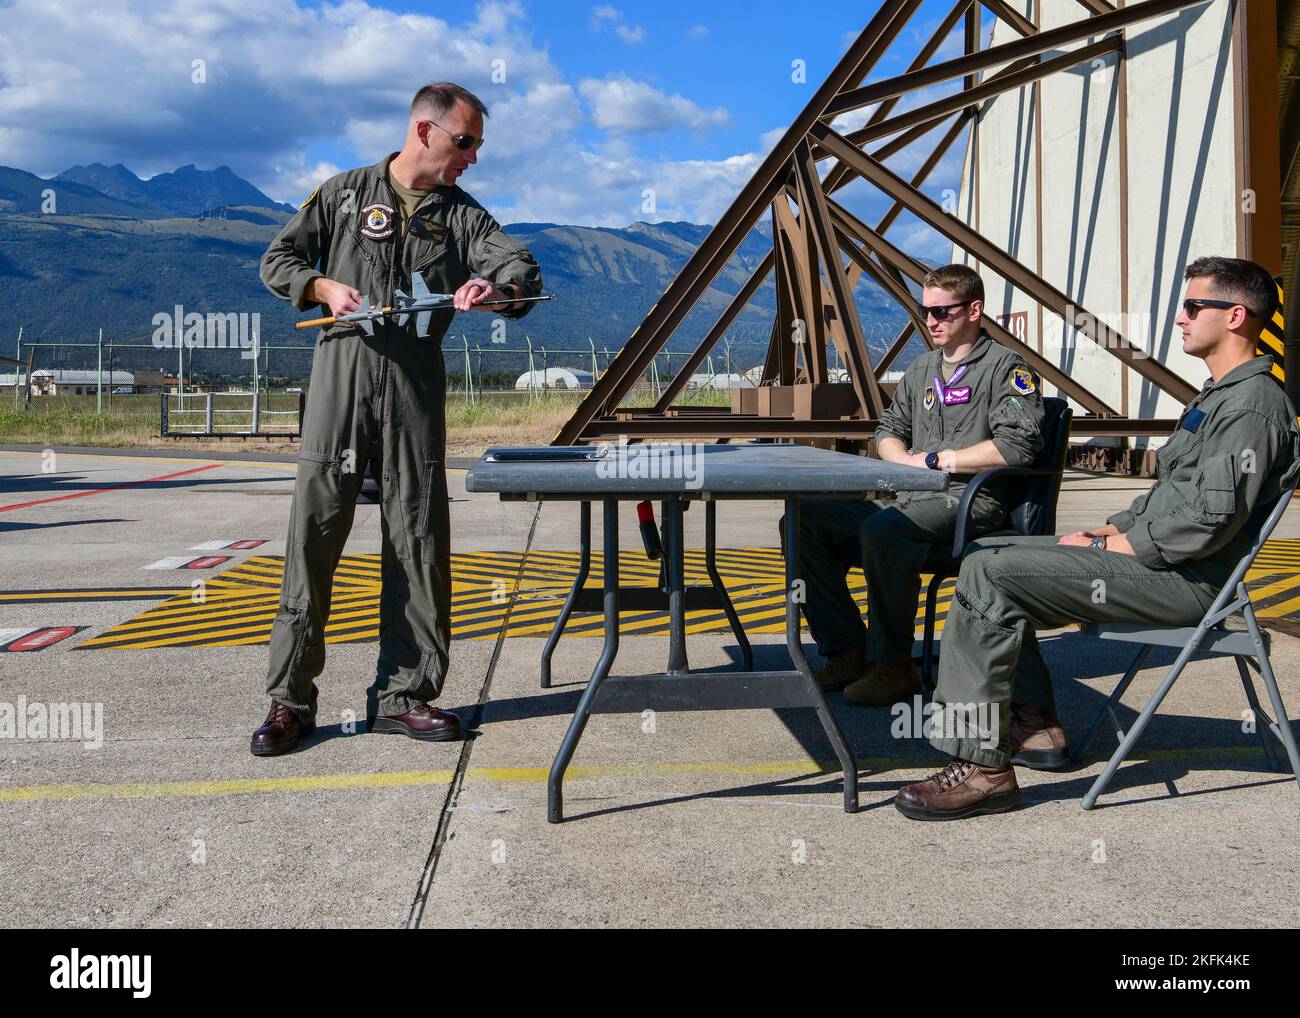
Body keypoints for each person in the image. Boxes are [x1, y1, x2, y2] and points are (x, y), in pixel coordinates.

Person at [894, 256, 1300, 820]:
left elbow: (1206, 524)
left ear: (1235, 316)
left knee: (991, 574)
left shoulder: (1251, 406)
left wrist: (1112, 549)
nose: (1180, 320)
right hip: (1163, 563)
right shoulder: (1219, 395)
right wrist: (1108, 529)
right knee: (985, 552)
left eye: (1191, 307)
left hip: (1187, 582)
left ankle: (984, 769)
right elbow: (1168, 497)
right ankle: (1031, 719)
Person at [250, 82, 543, 755]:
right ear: (423, 130)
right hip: (340, 387)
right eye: (463, 142)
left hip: (413, 392)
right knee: (313, 540)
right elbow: (278, 259)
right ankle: (289, 700)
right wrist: (322, 286)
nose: (471, 157)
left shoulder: (461, 216)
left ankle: (404, 695)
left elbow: (518, 267)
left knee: (417, 538)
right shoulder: (344, 194)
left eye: (477, 145)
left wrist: (491, 290)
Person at [790, 264, 1047, 715]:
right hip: (911, 498)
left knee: (885, 531)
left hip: (970, 502)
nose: (930, 322)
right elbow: (888, 429)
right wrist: (902, 462)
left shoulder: (1005, 369)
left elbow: (1017, 446)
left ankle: (893, 664)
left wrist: (938, 460)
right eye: (924, 311)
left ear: (974, 310)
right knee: (805, 519)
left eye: (942, 312)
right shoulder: (922, 369)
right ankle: (846, 650)